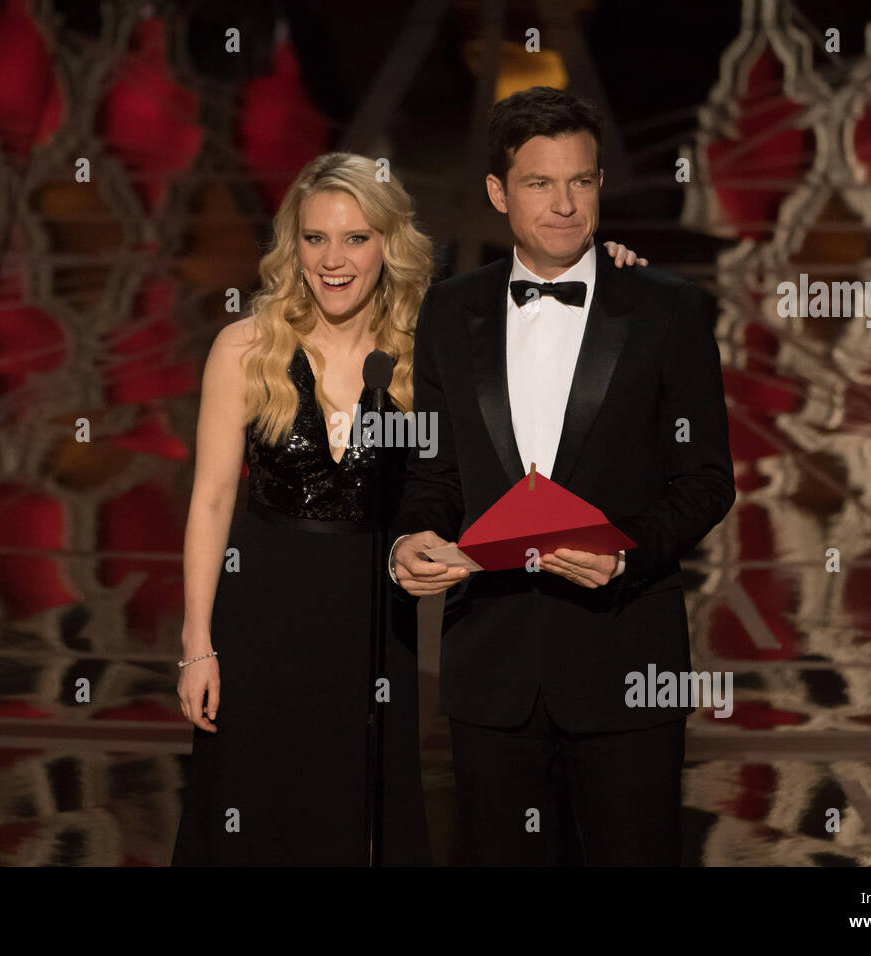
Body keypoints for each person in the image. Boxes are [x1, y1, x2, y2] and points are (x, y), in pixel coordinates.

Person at [172, 150, 646, 865]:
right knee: (250, 813)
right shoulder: (245, 349)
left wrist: (601, 267)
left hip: (373, 627)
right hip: (258, 619)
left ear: (388, 246)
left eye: (356, 238)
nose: (334, 259)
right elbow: (210, 503)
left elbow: (542, 336)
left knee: (359, 816)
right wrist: (197, 646)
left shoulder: (430, 347)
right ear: (292, 245)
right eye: (315, 238)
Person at [389, 87, 736, 866]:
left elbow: (707, 478)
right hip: (490, 668)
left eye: (581, 181)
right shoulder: (448, 312)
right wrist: (416, 533)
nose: (564, 204)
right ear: (497, 193)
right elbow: (435, 468)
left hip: (626, 657)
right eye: (540, 184)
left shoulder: (668, 309)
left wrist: (628, 551)